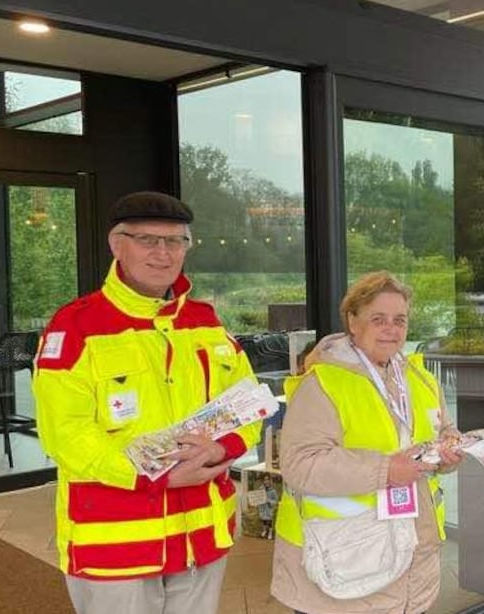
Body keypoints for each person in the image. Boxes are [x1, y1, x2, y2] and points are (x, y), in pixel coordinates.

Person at [33, 191, 262, 614]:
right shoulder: (76, 326)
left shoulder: (206, 322)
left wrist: (222, 448)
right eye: (147, 240)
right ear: (116, 244)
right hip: (117, 539)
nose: (163, 253)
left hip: (201, 531)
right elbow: (65, 434)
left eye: (175, 242)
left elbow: (246, 405)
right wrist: (153, 478)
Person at [270, 271, 462, 614]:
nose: (391, 329)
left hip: (413, 560)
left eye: (399, 320)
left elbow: (441, 430)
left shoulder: (419, 377)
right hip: (343, 564)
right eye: (379, 319)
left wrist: (450, 449)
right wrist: (387, 469)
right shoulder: (322, 382)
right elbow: (301, 464)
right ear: (353, 322)